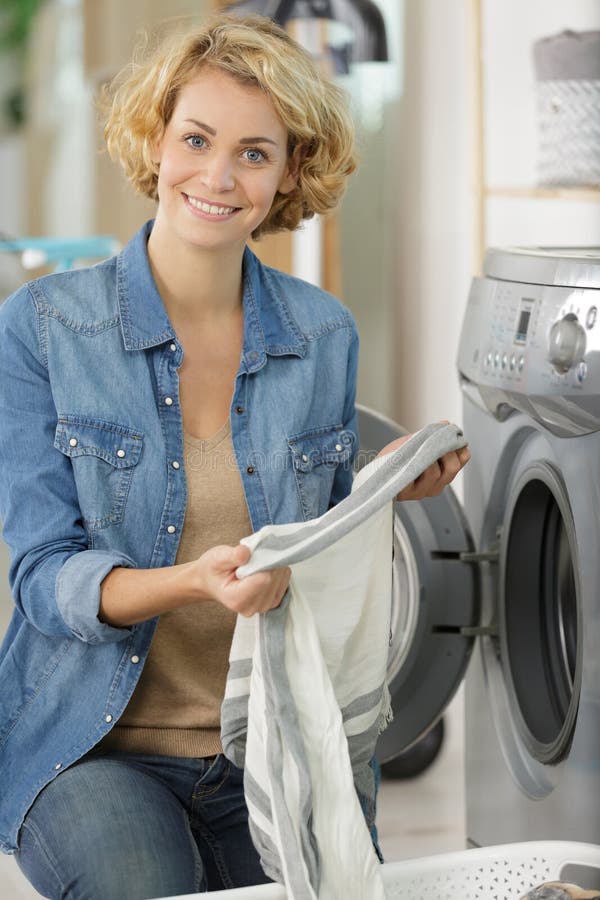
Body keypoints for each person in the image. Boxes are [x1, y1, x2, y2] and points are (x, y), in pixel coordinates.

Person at [0, 13, 470, 899]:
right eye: (197, 139)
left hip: (272, 743)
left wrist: (385, 492)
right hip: (94, 748)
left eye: (254, 153)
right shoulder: (46, 329)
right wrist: (192, 582)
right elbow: (43, 577)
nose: (217, 176)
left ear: (291, 170)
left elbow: (316, 564)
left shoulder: (322, 332)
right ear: (156, 138)